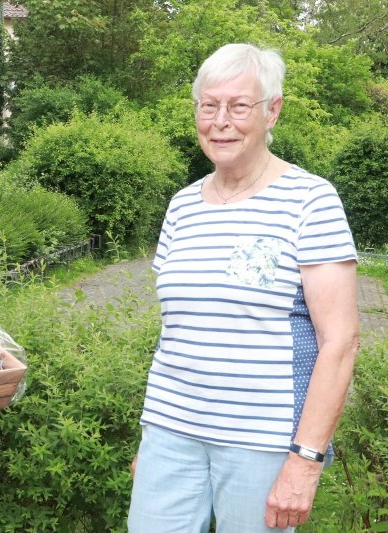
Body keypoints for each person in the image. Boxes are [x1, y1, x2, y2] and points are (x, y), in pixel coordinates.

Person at [127, 43, 360, 532]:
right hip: (171, 434)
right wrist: (153, 439)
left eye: (238, 106)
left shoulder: (311, 201)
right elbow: (177, 330)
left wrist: (306, 460)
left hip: (262, 444)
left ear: (272, 110)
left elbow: (340, 343)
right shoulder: (182, 206)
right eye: (209, 106)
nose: (221, 121)